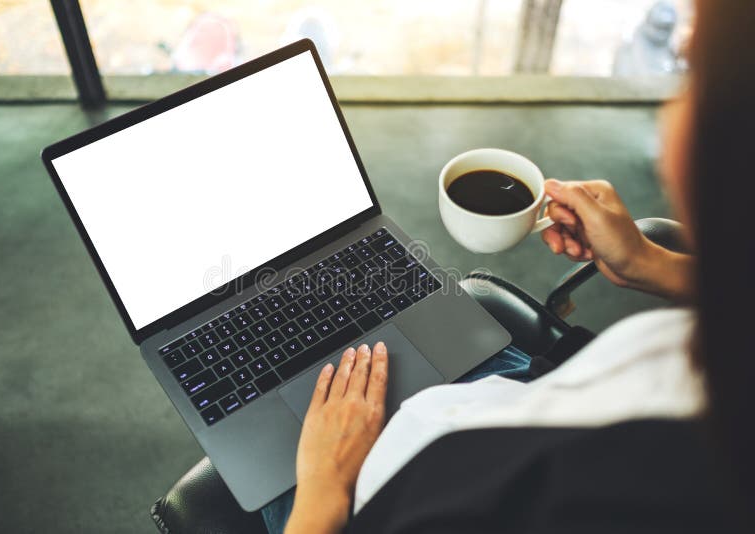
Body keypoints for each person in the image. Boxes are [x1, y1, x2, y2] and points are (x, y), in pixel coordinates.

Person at [265, 1, 754, 532]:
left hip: (374, 494)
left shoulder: (637, 498)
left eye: (691, 68)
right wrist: (650, 264)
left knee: (272, 437)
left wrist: (323, 492)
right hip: (524, 396)